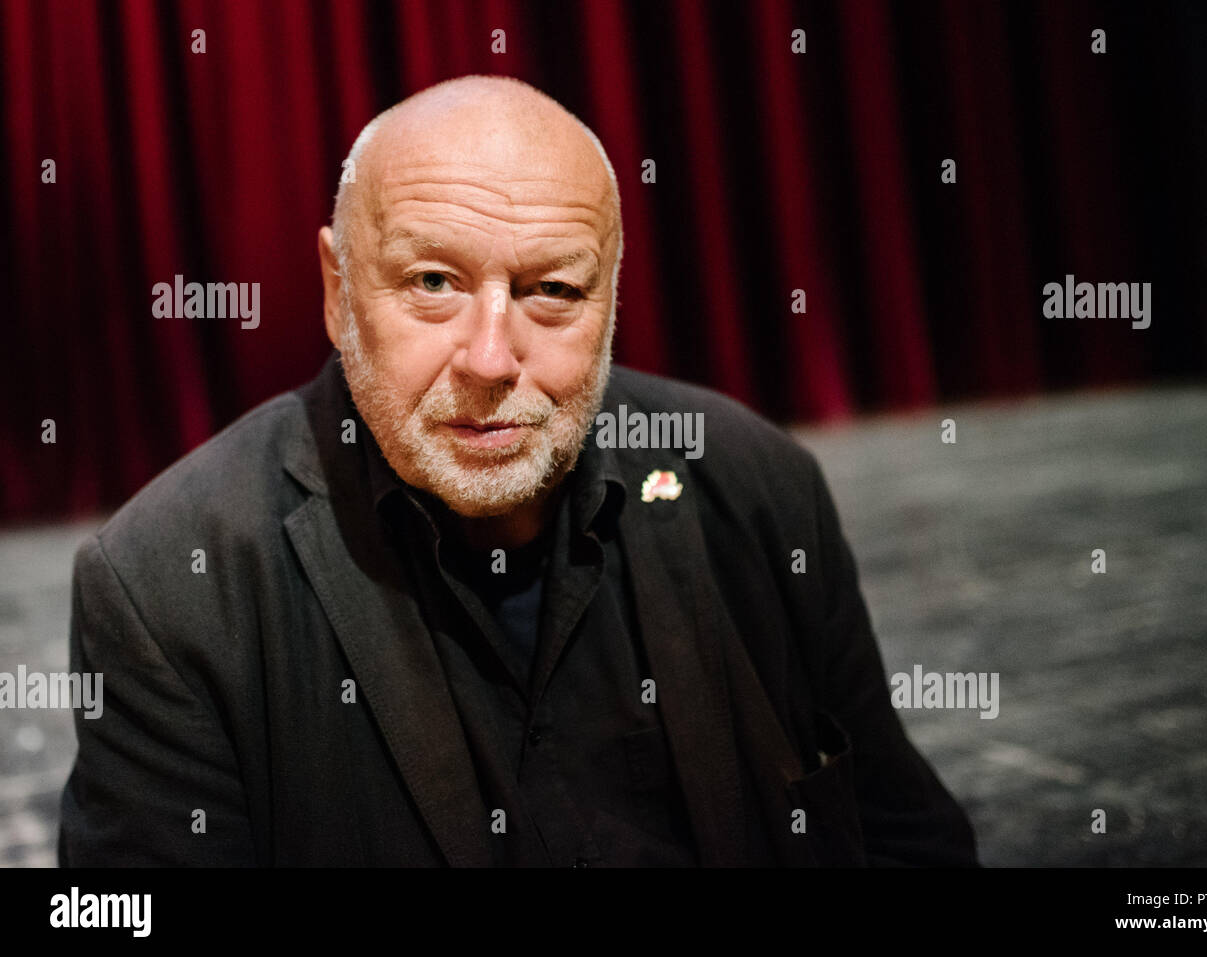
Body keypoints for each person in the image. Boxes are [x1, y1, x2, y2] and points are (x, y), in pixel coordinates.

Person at [58, 75, 977, 867]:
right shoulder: (168, 586)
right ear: (339, 294)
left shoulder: (760, 488)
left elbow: (906, 841)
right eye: (432, 283)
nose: (491, 358)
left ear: (611, 298)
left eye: (553, 290)